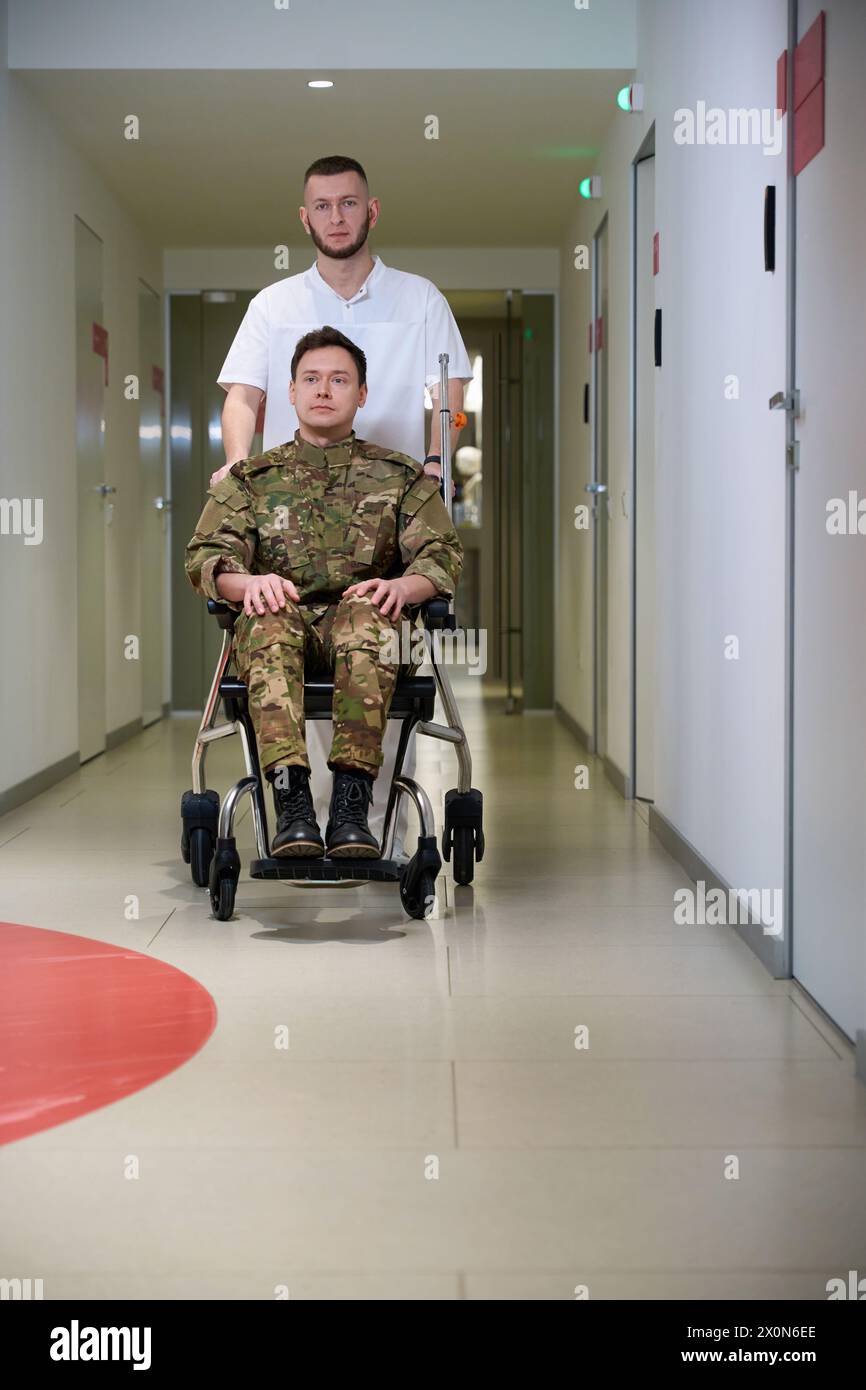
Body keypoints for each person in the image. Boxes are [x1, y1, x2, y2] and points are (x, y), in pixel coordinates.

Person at [209, 154, 472, 851]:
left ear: (371, 210)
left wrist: (439, 459)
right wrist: (238, 466)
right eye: (322, 206)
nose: (336, 217)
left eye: (348, 204)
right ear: (305, 218)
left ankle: (362, 814)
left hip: (379, 532)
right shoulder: (274, 305)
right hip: (283, 538)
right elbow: (242, 394)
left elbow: (448, 394)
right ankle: (293, 808)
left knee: (376, 623)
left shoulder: (418, 299)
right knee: (268, 621)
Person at [185, 328, 463, 860]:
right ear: (290, 392)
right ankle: (291, 808)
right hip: (280, 628)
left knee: (366, 613)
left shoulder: (399, 475)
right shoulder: (252, 479)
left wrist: (404, 585)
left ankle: (351, 809)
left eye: (340, 380)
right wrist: (247, 583)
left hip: (369, 632)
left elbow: (442, 553)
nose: (323, 390)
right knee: (266, 618)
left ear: (361, 394)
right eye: (310, 379)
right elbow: (204, 556)